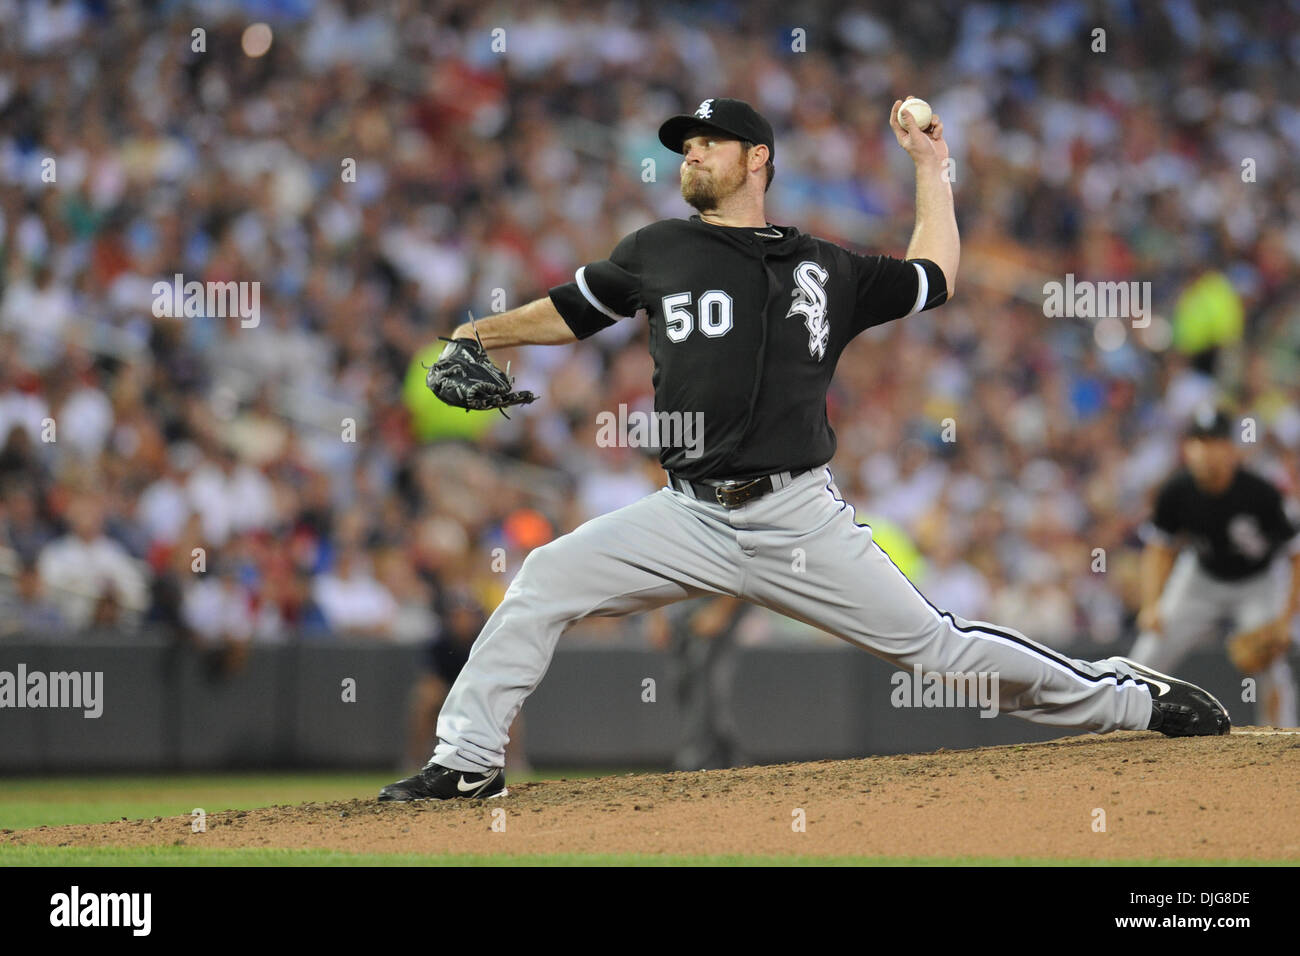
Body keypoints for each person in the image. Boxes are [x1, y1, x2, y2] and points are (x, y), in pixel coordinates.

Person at [380, 96, 1229, 802]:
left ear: (758, 159)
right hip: (688, 515)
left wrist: (933, 171)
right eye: (686, 144)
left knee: (940, 653)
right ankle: (468, 761)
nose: (691, 154)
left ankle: (1126, 699)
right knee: (544, 580)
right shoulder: (658, 248)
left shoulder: (824, 265)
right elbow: (570, 310)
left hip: (794, 517)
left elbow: (936, 274)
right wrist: (480, 332)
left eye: (709, 143)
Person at [1129, 407, 1299, 726]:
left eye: (1215, 441)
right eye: (1199, 441)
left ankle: (1285, 745)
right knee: (1147, 654)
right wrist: (1152, 604)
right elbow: (1159, 549)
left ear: (1232, 448)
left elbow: (1295, 554)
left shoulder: (1260, 493)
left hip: (1257, 582)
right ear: (1187, 448)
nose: (1206, 451)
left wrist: (1286, 618)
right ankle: (1116, 730)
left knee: (1273, 669)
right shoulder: (1176, 492)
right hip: (1200, 578)